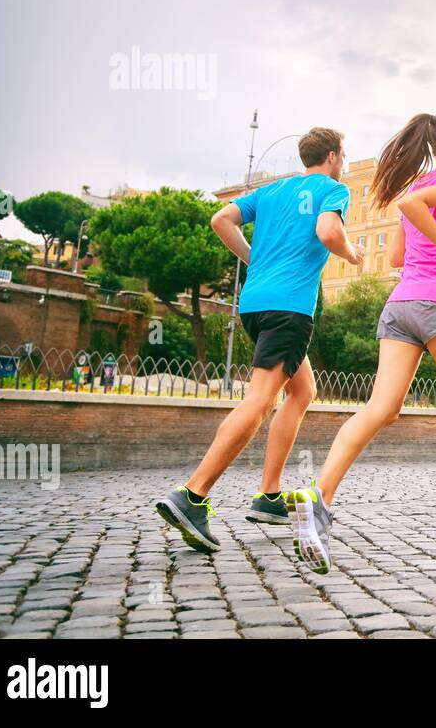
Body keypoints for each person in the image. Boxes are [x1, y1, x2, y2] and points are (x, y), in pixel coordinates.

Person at [286, 109, 436, 575]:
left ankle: (319, 497)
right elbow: (411, 215)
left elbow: (399, 255)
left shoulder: (418, 186)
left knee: (380, 408)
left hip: (401, 306)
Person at [155, 128, 362, 554]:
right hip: (290, 309)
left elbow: (220, 220)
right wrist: (352, 253)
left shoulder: (272, 190)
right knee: (261, 399)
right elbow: (327, 232)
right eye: (344, 153)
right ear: (332, 156)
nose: (344, 160)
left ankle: (268, 495)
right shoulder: (332, 189)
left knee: (303, 390)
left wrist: (255, 259)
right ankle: (192, 495)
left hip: (254, 303)